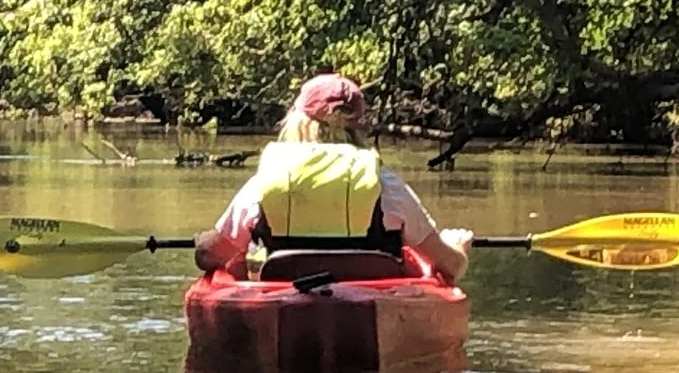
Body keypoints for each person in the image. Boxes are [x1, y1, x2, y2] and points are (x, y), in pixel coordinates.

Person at [194, 74, 472, 281]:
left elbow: (210, 256)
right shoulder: (386, 186)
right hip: (369, 310)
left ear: (298, 121)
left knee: (235, 263)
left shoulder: (265, 184)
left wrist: (204, 242)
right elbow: (450, 266)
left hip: (285, 308)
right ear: (358, 128)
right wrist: (457, 248)